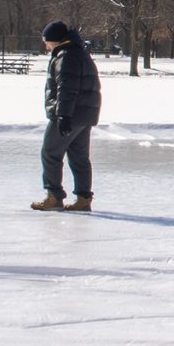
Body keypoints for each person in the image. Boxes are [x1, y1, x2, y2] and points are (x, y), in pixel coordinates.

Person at [31, 19, 101, 212]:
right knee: (79, 157)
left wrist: (63, 115)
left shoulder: (66, 55)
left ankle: (54, 196)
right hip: (84, 114)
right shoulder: (79, 52)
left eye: (47, 41)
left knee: (50, 152)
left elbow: (66, 88)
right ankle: (83, 198)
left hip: (70, 114)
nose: (46, 46)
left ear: (55, 40)